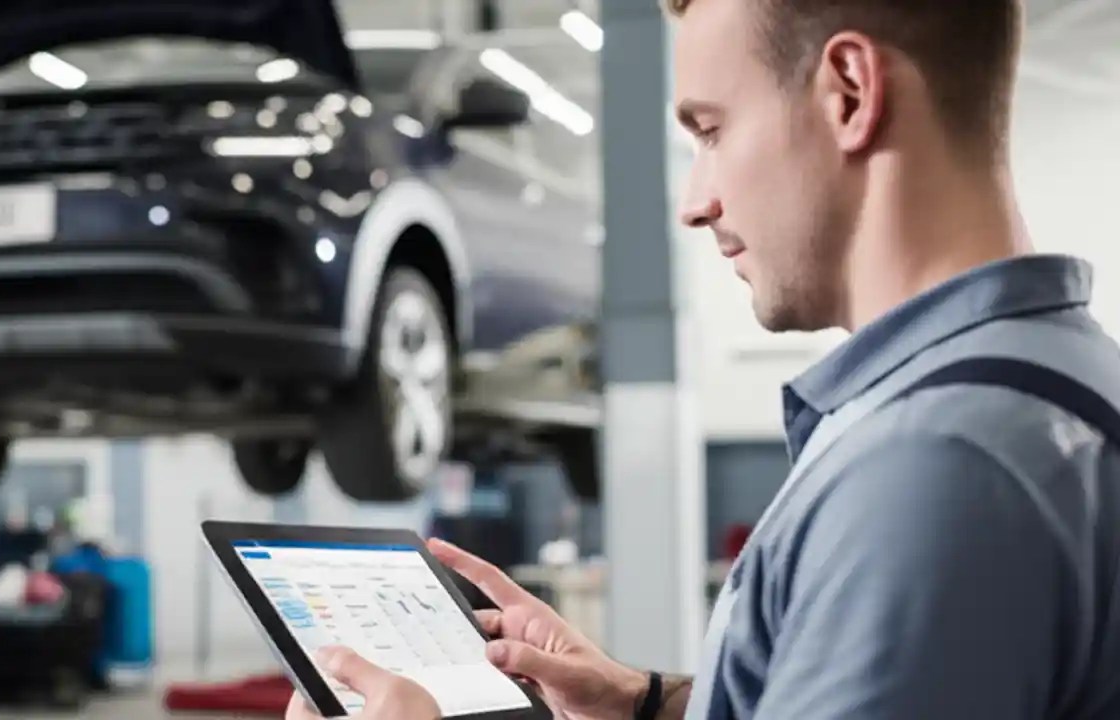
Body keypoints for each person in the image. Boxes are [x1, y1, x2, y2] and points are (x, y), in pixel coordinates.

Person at [288, 0, 1120, 717]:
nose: (695, 201)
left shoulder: (934, 464)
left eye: (711, 131)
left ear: (851, 93)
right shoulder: (1051, 380)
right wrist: (643, 700)